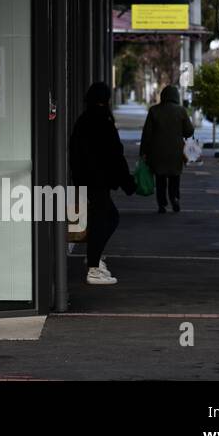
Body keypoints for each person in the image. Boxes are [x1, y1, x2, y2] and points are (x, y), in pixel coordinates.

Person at [69, 81, 135, 286]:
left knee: (104, 218)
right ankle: (94, 267)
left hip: (86, 180)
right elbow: (115, 155)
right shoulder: (103, 121)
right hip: (98, 182)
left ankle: (94, 259)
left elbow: (75, 151)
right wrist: (127, 182)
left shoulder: (83, 120)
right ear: (106, 99)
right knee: (105, 219)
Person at [139, 84, 195, 214]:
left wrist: (143, 152)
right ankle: (174, 198)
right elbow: (189, 131)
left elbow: (147, 133)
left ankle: (162, 204)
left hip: (157, 152)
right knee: (175, 177)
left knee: (160, 178)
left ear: (163, 96)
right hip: (176, 152)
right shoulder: (181, 111)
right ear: (176, 96)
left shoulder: (154, 111)